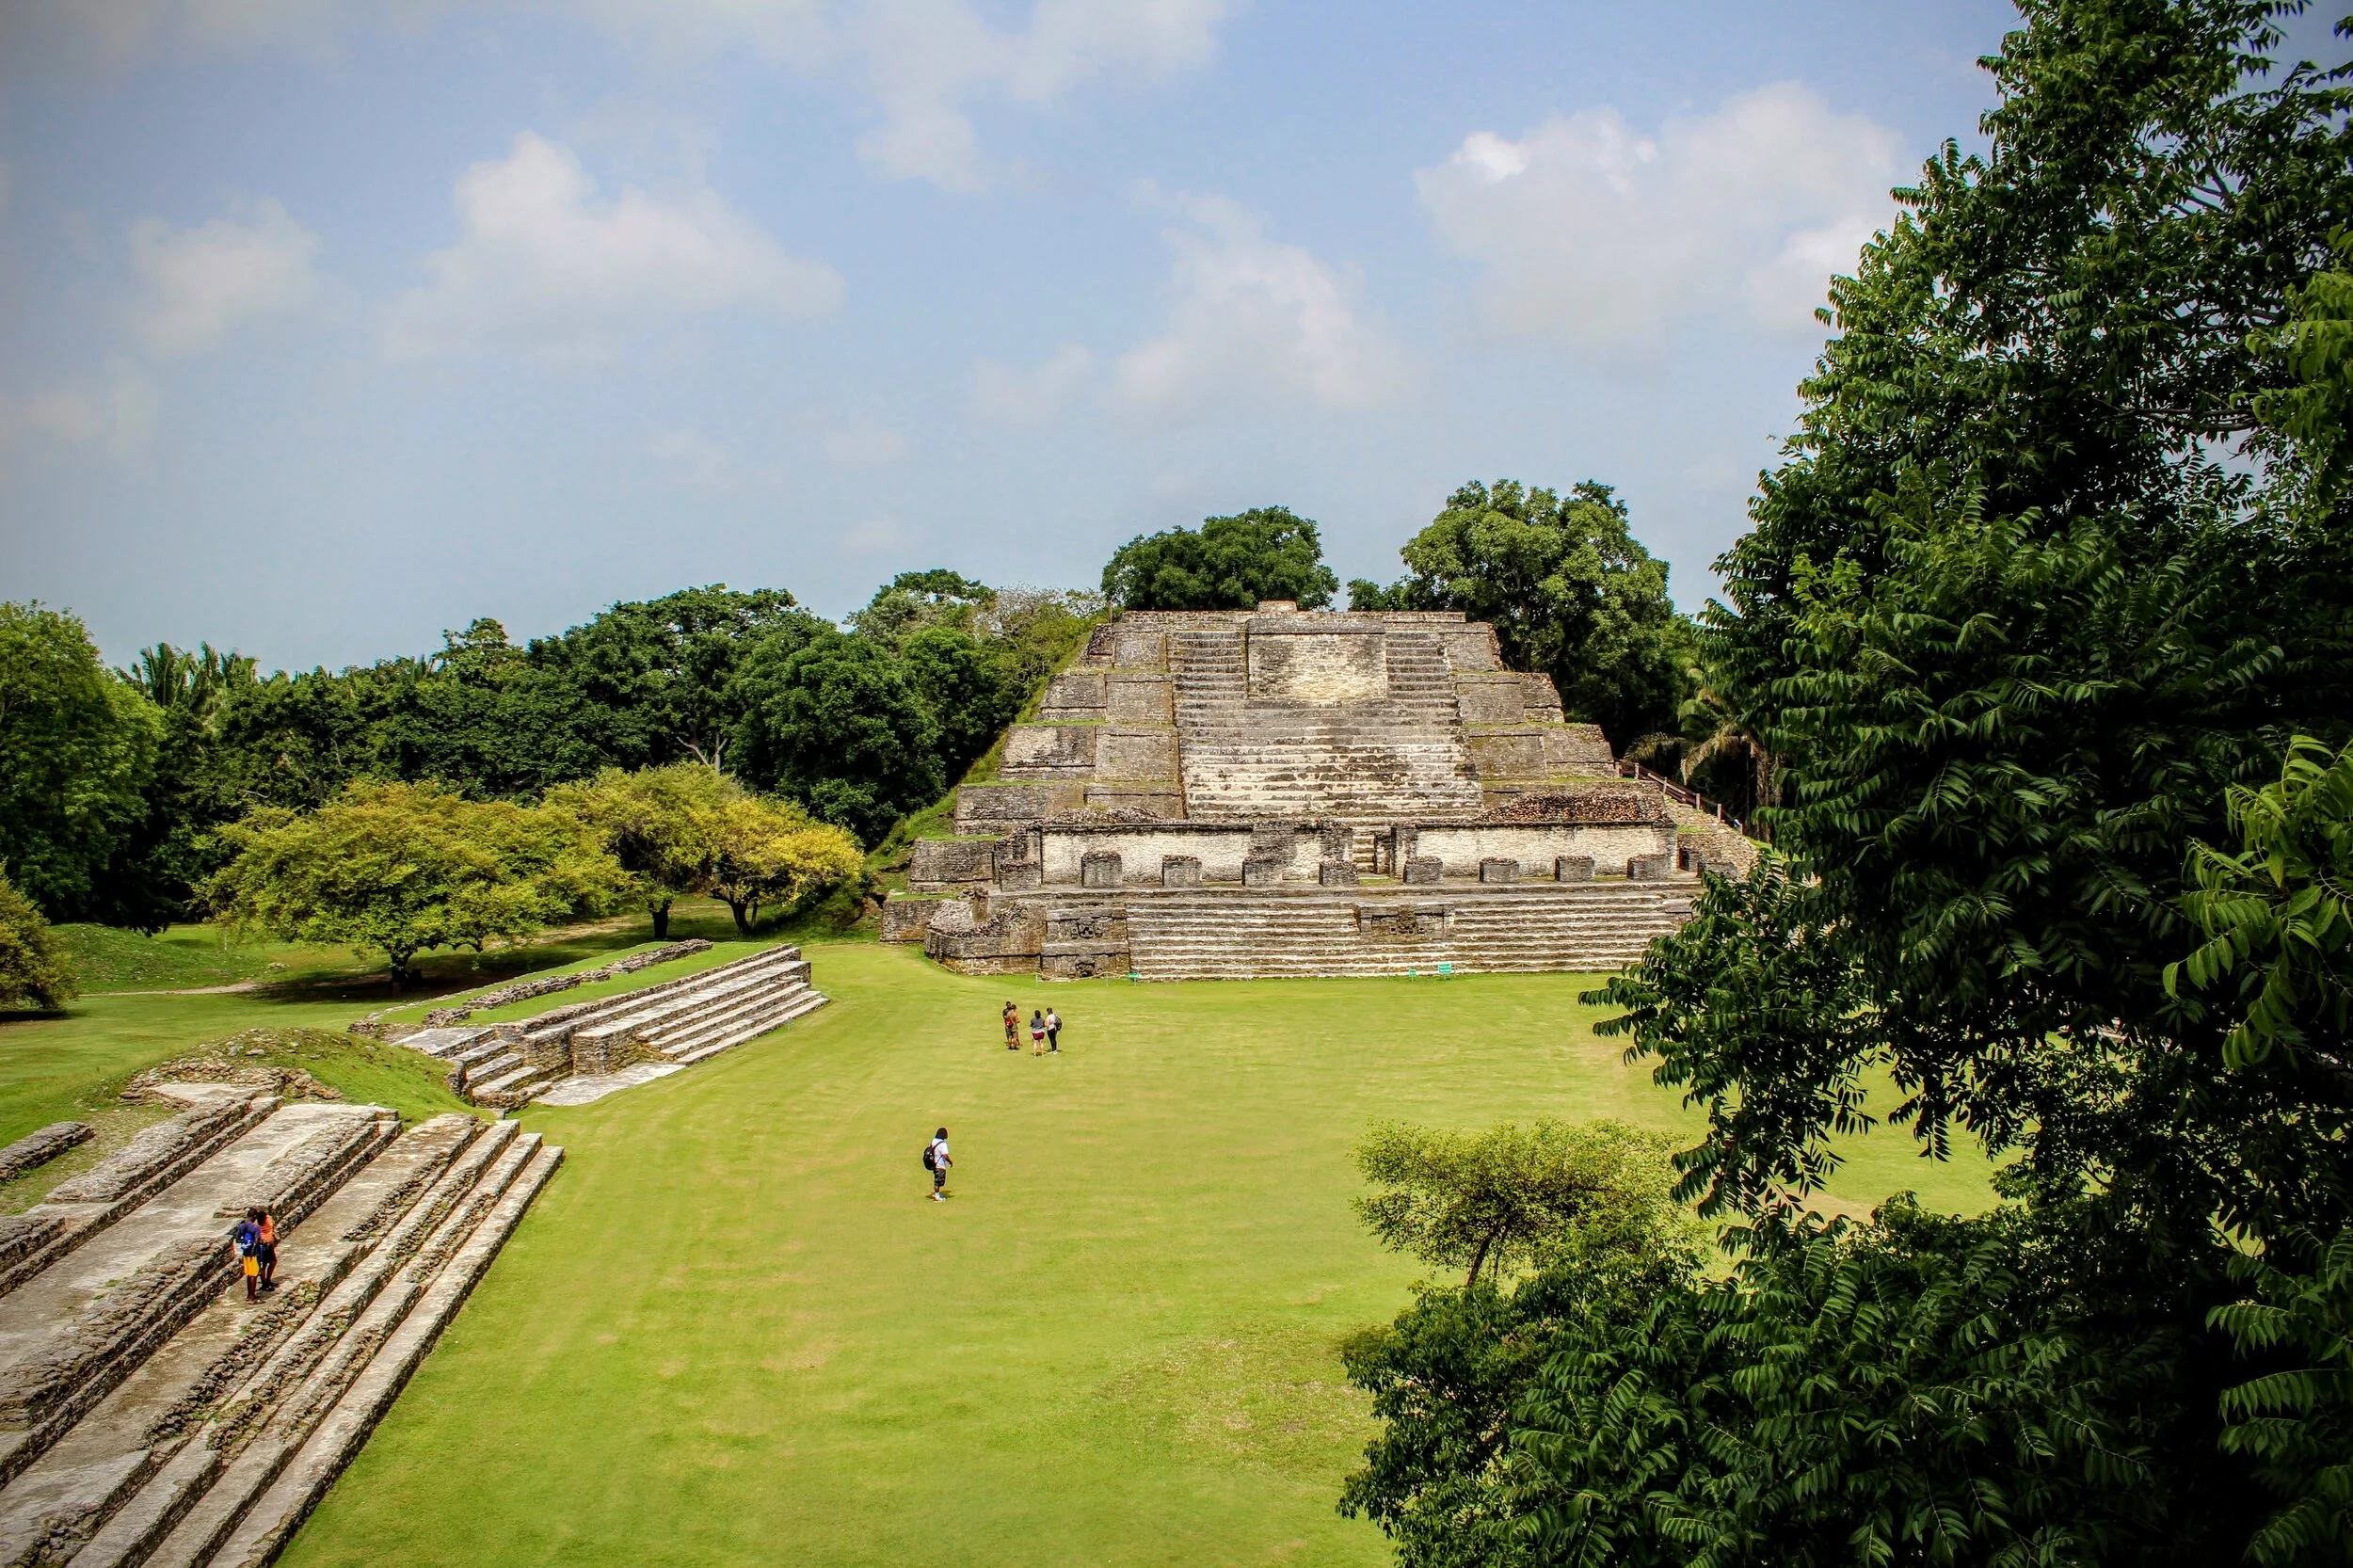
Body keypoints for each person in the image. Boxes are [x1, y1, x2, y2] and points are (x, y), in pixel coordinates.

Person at [232, 1208, 263, 1302]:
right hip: (254, 1253)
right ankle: (252, 1296)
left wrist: (245, 1241)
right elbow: (257, 1241)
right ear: (254, 1217)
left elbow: (237, 1239)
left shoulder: (242, 1226)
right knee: (254, 1274)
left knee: (249, 1274)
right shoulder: (255, 1228)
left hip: (246, 1253)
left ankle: (249, 1295)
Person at [256, 1207, 279, 1294]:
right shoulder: (256, 1224)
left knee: (273, 1262)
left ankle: (268, 1280)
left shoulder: (268, 1219)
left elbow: (272, 1228)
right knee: (263, 1265)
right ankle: (264, 1283)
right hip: (262, 1245)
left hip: (268, 1244)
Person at [927, 1128, 952, 1200]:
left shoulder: (933, 1141)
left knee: (937, 1180)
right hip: (940, 1165)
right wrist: (950, 1161)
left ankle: (936, 1194)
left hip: (934, 1163)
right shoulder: (943, 1144)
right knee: (938, 1181)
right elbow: (945, 1155)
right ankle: (937, 1196)